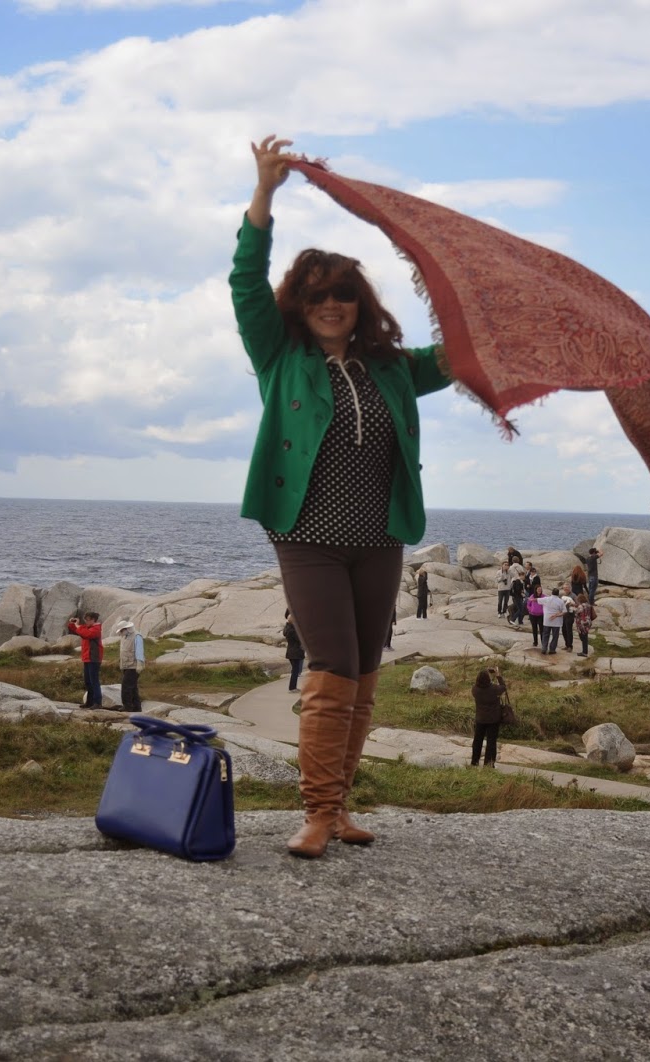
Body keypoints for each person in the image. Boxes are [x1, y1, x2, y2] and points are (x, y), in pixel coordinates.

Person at [234, 135, 454, 859]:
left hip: (379, 538)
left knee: (363, 673)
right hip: (308, 535)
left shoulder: (392, 368)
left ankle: (342, 804)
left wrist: (494, 307)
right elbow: (244, 282)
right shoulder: (279, 356)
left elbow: (460, 354)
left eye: (345, 294)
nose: (332, 304)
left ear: (361, 305)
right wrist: (264, 196)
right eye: (319, 294)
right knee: (329, 665)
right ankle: (318, 812)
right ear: (302, 303)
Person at [470, 667, 507, 767]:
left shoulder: (475, 689)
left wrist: (484, 671)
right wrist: (498, 675)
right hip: (493, 720)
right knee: (491, 742)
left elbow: (480, 684)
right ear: (488, 678)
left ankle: (474, 762)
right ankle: (489, 764)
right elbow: (503, 687)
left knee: (477, 740)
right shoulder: (494, 689)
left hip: (480, 719)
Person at [66, 612, 104, 708]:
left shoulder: (96, 629)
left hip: (94, 658)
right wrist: (72, 623)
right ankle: (90, 702)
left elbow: (86, 634)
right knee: (88, 681)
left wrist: (78, 625)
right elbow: (76, 629)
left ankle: (97, 702)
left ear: (93, 620)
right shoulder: (87, 628)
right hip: (87, 658)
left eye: (88, 619)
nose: (86, 621)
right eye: (85, 619)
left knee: (94, 680)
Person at [116, 619, 144, 713]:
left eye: (121, 630)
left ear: (126, 629)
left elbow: (139, 651)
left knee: (126, 686)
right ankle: (136, 707)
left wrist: (139, 664)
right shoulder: (124, 637)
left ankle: (127, 706)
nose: (120, 632)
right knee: (133, 687)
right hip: (126, 665)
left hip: (133, 666)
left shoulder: (137, 636)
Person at [283, 608, 306, 692]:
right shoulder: (293, 630)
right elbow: (299, 639)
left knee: (295, 671)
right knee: (295, 671)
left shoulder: (287, 629)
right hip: (295, 652)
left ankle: (293, 687)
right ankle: (292, 688)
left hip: (291, 652)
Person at [539, 586, 567, 654]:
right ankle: (552, 649)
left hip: (547, 620)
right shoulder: (561, 601)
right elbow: (565, 611)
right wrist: (557, 615)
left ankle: (544, 648)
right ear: (558, 594)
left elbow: (537, 600)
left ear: (552, 593)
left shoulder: (546, 599)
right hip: (556, 622)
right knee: (555, 636)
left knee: (545, 634)